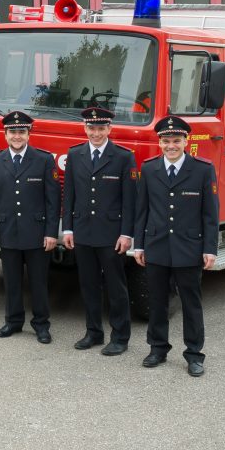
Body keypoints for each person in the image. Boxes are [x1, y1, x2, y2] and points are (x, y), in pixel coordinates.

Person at [133, 115, 218, 377]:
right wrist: (139, 245)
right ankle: (157, 348)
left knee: (191, 303)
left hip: (189, 248)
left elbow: (210, 214)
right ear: (159, 143)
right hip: (157, 245)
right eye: (166, 141)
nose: (171, 145)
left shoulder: (203, 169)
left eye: (176, 140)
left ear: (186, 141)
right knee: (157, 301)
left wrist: (209, 248)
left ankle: (194, 354)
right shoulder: (149, 169)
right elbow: (142, 210)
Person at [61, 107, 135, 355]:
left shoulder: (123, 157)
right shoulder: (75, 154)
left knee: (116, 286)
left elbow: (129, 200)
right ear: (85, 129)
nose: (96, 133)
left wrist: (127, 234)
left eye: (101, 128)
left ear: (109, 129)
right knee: (88, 285)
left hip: (111, 234)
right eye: (91, 128)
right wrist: (68, 228)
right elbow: (69, 194)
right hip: (82, 230)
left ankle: (120, 337)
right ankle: (93, 332)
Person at [0, 110, 60, 344]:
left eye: (21, 132)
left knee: (38, 282)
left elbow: (52, 200)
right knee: (12, 281)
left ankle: (41, 324)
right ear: (5, 134)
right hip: (8, 231)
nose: (17, 136)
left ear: (29, 134)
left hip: (36, 233)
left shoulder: (44, 160)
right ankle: (13, 321)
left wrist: (50, 232)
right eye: (13, 132)